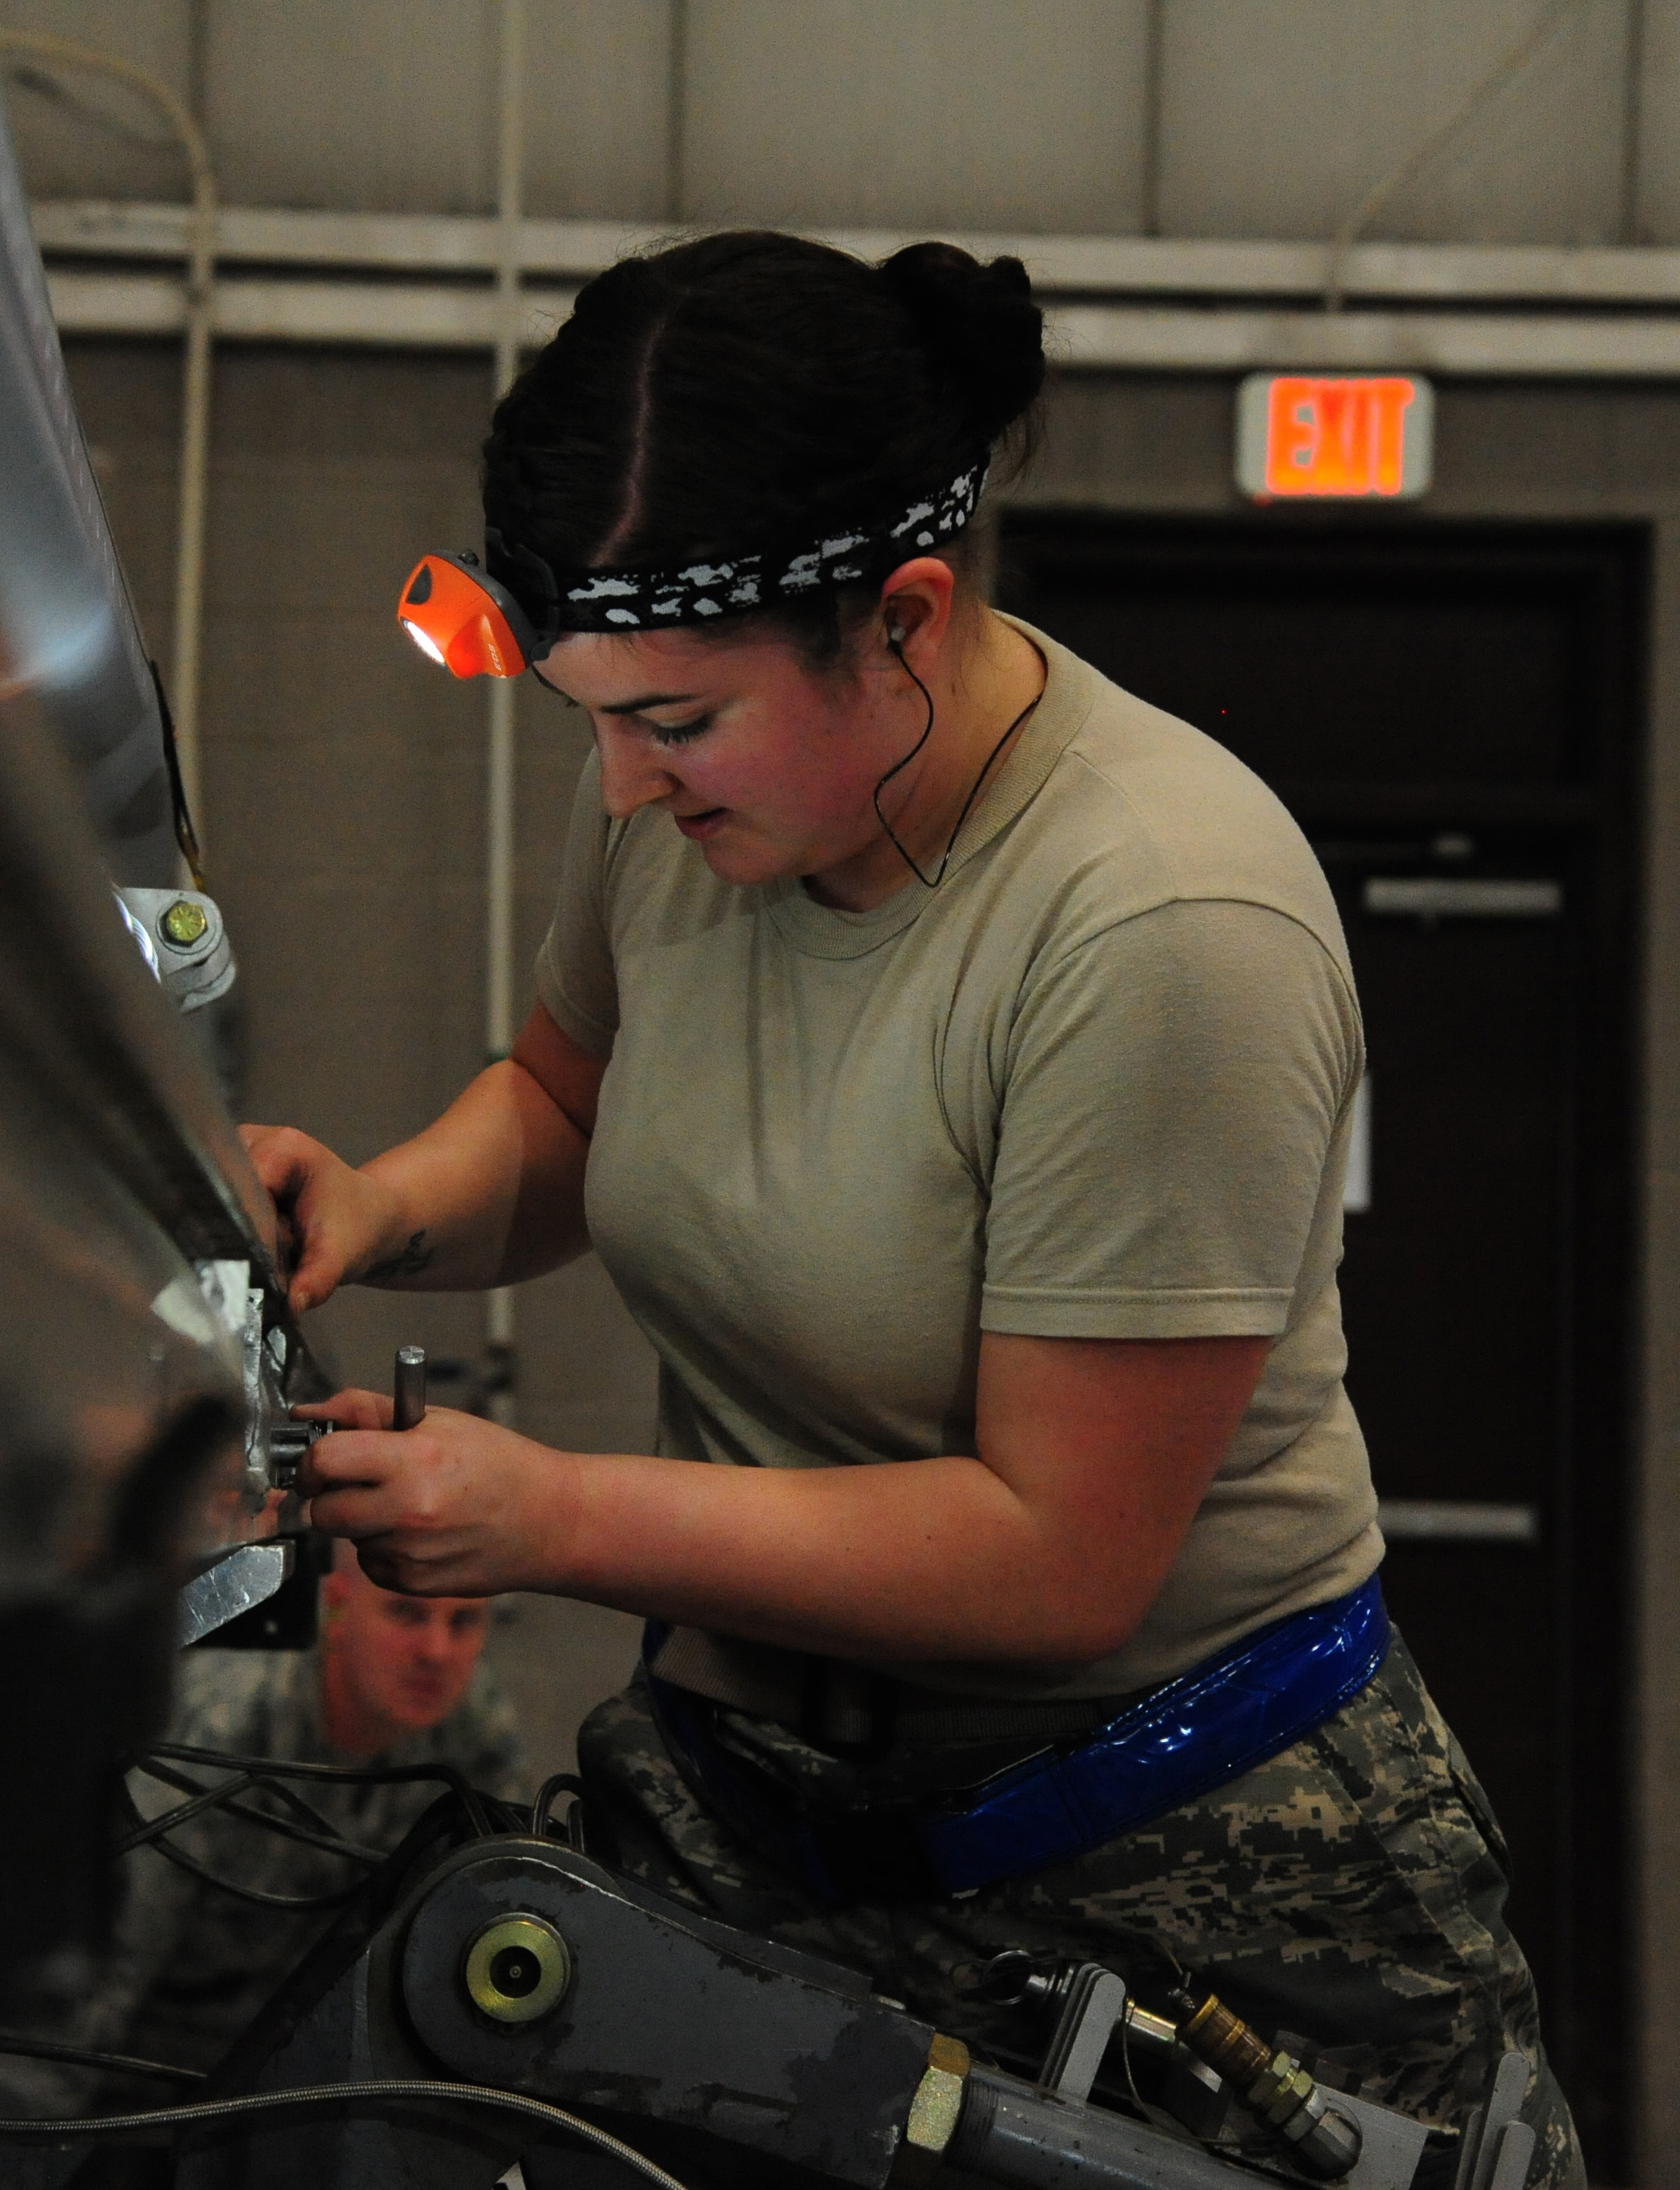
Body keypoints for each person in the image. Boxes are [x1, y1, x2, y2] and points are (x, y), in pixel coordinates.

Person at [244, 230, 1577, 2184]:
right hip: (760, 1805)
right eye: (588, 715)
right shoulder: (691, 807)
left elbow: (1055, 1557)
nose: (618, 788)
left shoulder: (1160, 920)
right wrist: (370, 1207)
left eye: (673, 721)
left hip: (1179, 1875)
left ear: (903, 620)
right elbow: (562, 1106)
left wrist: (545, 1515)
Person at [0, 1544, 521, 2117]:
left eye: (465, 1622)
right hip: (126, 2078)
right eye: (406, 1614)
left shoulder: (471, 1735)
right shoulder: (222, 1728)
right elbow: (89, 1988)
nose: (437, 1651)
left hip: (279, 2086)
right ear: (336, 1607)